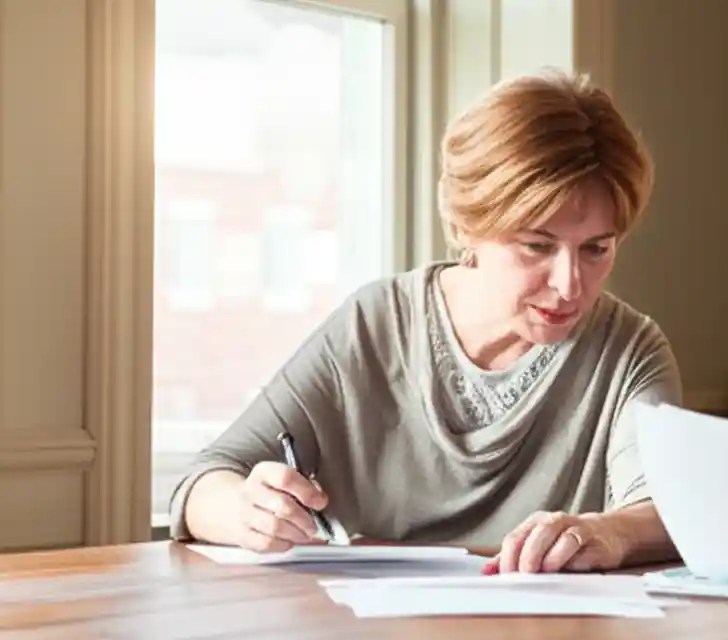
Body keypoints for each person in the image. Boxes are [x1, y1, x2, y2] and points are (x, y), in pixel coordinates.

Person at [170, 71, 682, 575]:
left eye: (597, 249)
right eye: (537, 246)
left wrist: (608, 532)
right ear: (466, 225)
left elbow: (668, 512)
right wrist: (246, 511)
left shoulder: (629, 350)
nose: (571, 284)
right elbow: (205, 481)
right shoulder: (373, 325)